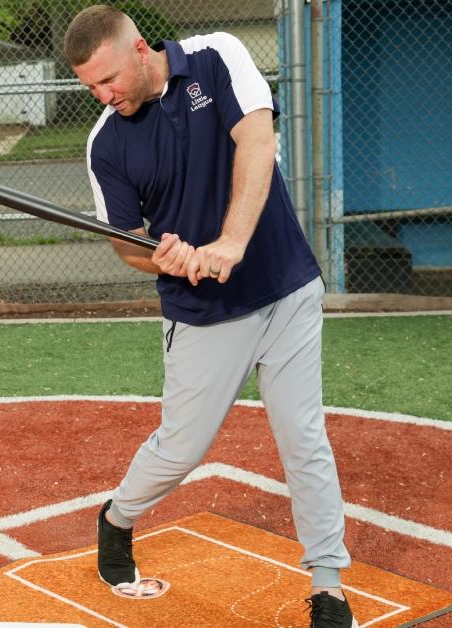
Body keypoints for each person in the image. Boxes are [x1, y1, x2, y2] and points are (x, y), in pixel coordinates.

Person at [63, 6, 355, 628]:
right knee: (181, 448)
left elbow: (257, 141)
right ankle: (117, 520)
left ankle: (328, 586)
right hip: (202, 314)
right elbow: (124, 242)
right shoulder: (106, 141)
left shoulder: (218, 56)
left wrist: (230, 244)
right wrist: (161, 260)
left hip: (284, 286)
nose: (103, 95)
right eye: (90, 87)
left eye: (109, 79)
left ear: (140, 49)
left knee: (303, 438)